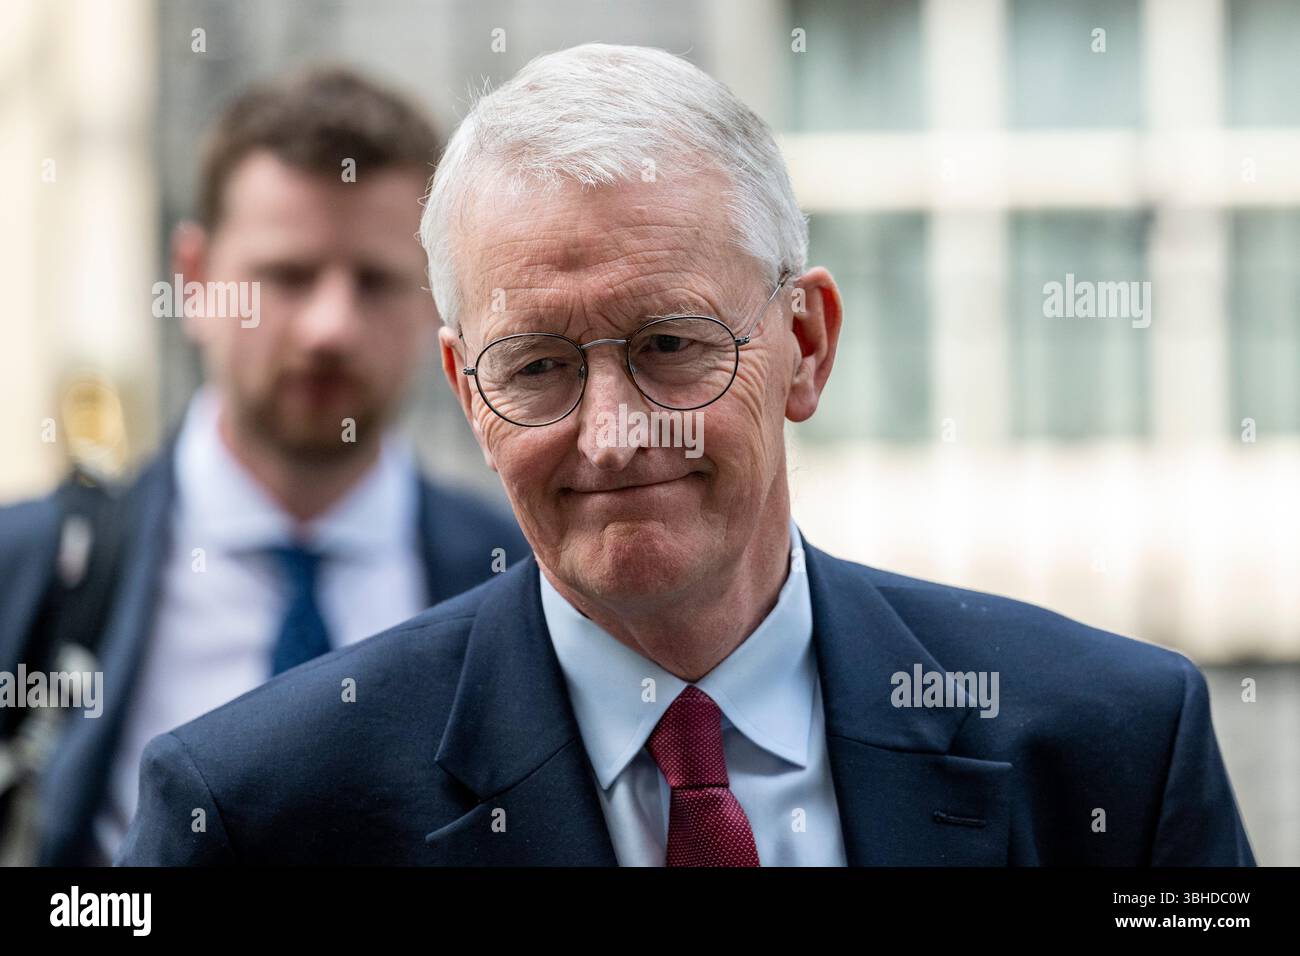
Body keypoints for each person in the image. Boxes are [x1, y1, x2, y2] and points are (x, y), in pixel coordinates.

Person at [116, 44, 1254, 866]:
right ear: (467, 391)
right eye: (538, 367)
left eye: (670, 345)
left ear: (804, 345)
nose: (613, 432)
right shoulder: (260, 812)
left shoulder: (1108, 747)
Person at [0, 66, 527, 866]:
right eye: (287, 276)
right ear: (196, 277)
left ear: (438, 304)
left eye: (376, 281)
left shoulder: (519, 582)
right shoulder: (35, 573)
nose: (328, 326)